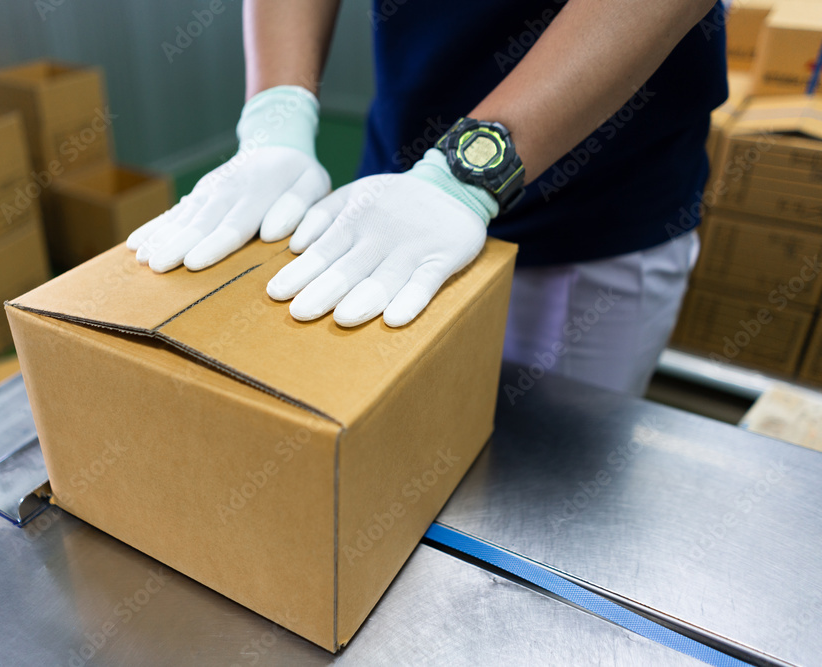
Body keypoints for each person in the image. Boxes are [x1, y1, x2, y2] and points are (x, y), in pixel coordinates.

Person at [127, 0, 726, 396]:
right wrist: (276, 116)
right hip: (395, 191)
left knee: (548, 484)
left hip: (593, 209)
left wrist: (465, 175)